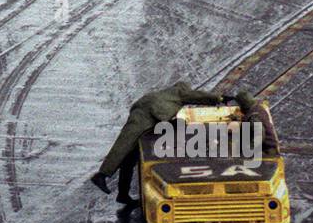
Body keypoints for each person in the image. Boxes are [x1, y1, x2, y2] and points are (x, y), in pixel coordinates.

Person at [90, 81, 278, 204]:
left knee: (129, 156)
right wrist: (220, 98)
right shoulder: (179, 92)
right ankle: (102, 174)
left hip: (148, 113)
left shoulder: (163, 94)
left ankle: (122, 194)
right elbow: (198, 96)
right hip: (148, 114)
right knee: (124, 144)